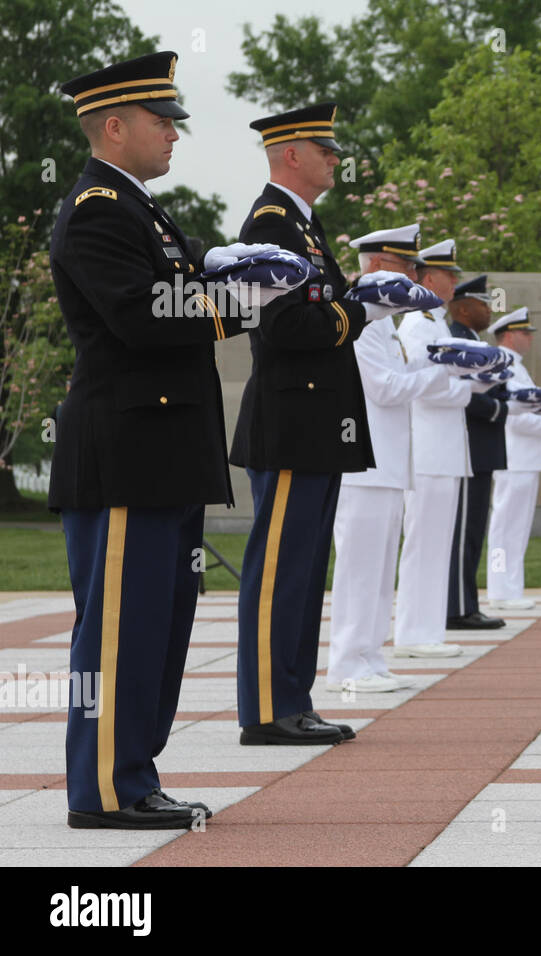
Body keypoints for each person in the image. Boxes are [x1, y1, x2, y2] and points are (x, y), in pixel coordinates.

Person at [51, 52, 257, 827]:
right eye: (160, 121)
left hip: (161, 454)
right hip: (127, 457)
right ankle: (105, 788)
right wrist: (249, 301)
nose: (174, 133)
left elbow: (177, 287)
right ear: (114, 124)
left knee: (159, 627)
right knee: (119, 631)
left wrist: (232, 279)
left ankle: (132, 775)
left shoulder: (140, 208)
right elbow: (143, 315)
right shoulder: (100, 207)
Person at [230, 104, 409, 744]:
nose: (335, 158)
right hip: (289, 422)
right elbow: (282, 326)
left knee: (303, 572)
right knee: (279, 570)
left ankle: (292, 700)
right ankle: (266, 711)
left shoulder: (304, 224)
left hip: (313, 424)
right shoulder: (273, 223)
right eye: (324, 148)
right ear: (291, 155)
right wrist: (359, 307)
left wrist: (352, 302)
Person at [326, 227, 474, 691]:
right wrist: (443, 371)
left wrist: (445, 369)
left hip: (386, 463)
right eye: (405, 266)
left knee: (377, 570)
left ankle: (368, 658)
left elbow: (403, 378)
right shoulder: (365, 319)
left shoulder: (385, 319)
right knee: (360, 571)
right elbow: (386, 388)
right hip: (364, 465)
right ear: (377, 266)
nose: (415, 275)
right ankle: (347, 665)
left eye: (415, 267)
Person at [392, 243, 478, 657]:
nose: (456, 282)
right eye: (450, 275)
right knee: (423, 543)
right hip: (426, 449)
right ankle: (412, 633)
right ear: (428, 279)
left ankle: (426, 631)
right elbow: (424, 387)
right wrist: (469, 385)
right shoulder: (418, 325)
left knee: (437, 543)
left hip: (443, 449)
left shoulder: (436, 323)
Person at [484, 307, 541, 608]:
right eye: (524, 333)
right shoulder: (504, 365)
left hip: (524, 458)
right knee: (505, 526)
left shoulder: (516, 366)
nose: (529, 338)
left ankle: (509, 589)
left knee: (516, 528)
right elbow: (515, 417)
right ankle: (499, 589)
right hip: (514, 457)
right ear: (508, 335)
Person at [444, 275, 508, 630]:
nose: (489, 310)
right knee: (464, 533)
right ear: (464, 308)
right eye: (483, 304)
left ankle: (465, 602)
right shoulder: (457, 340)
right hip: (470, 444)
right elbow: (464, 391)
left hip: (481, 448)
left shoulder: (471, 340)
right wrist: (499, 410)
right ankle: (457, 608)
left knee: (472, 533)